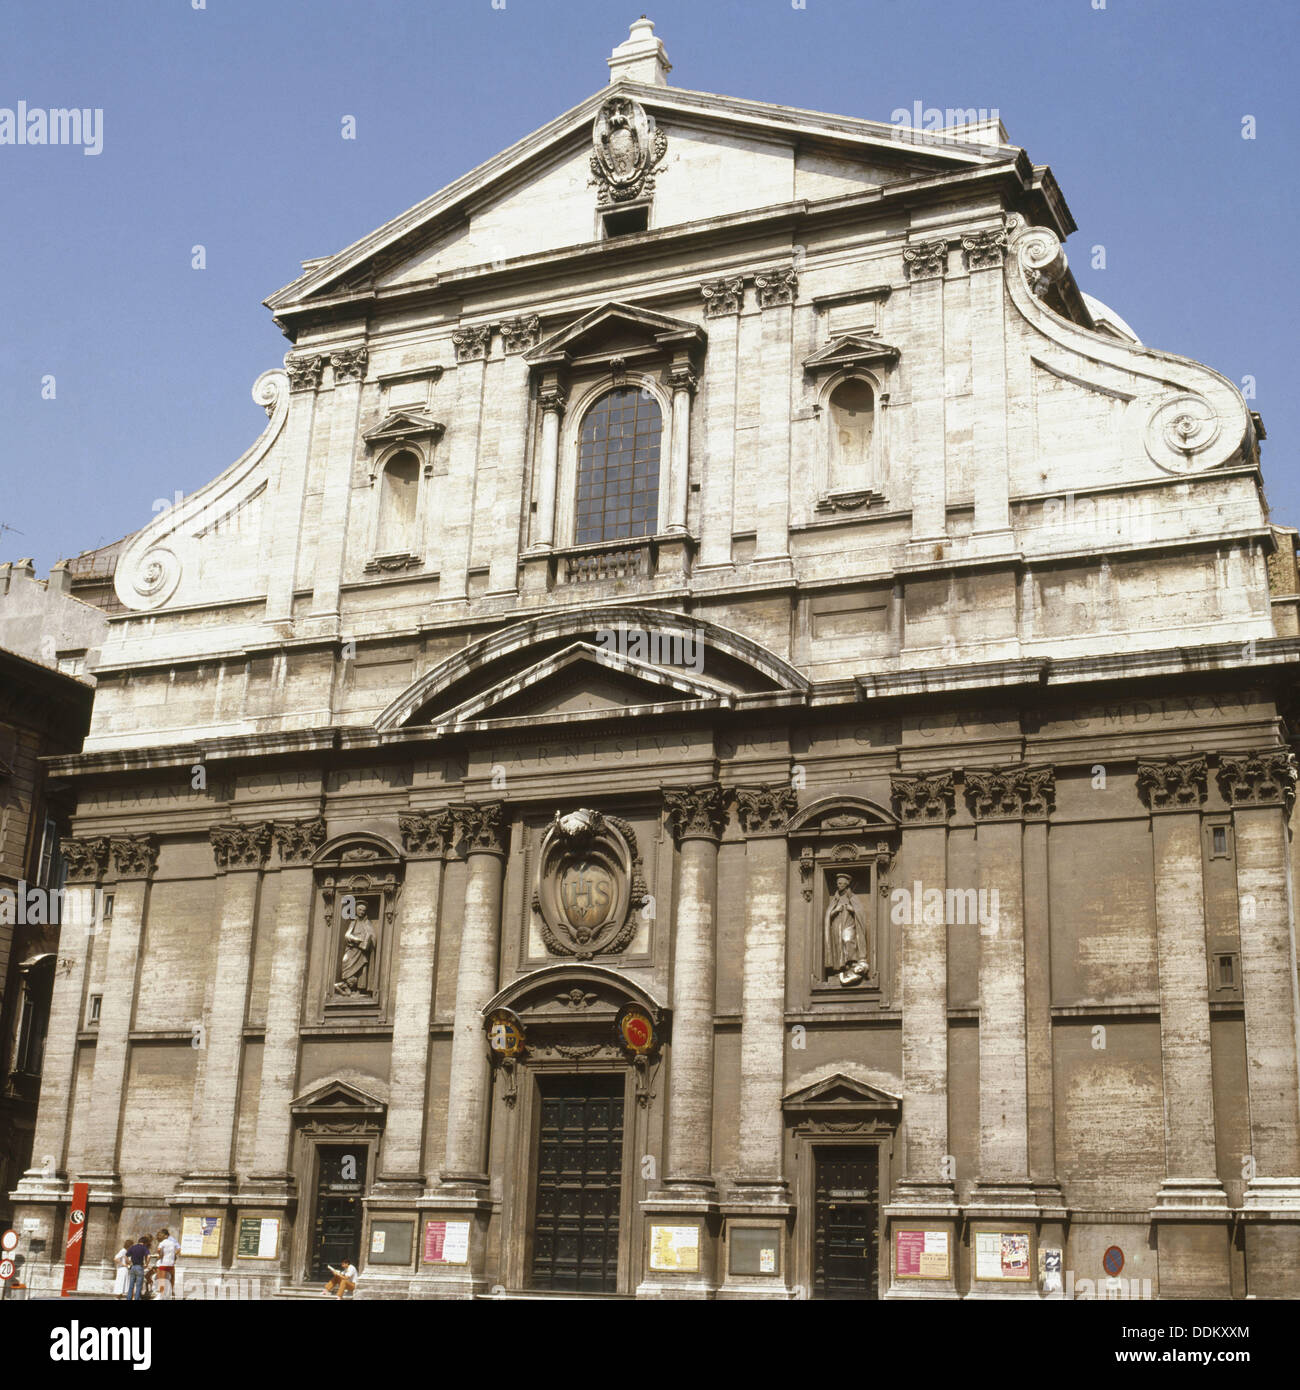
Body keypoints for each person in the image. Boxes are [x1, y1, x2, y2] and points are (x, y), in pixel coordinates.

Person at [824, 872, 870, 985]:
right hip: (836, 926)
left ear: (846, 884)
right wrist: (835, 910)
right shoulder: (835, 899)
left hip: (849, 925)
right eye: (838, 883)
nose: (838, 885)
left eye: (841, 883)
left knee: (848, 940)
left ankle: (852, 964)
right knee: (838, 945)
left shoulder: (853, 898)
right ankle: (840, 968)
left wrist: (852, 909)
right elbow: (828, 915)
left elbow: (860, 913)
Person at [154, 1227, 179, 1299]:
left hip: (164, 1264)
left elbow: (159, 1250)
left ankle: (161, 1295)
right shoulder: (173, 1242)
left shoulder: (162, 1243)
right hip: (171, 1264)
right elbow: (177, 1250)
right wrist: (173, 1255)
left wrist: (161, 1255)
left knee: (162, 1280)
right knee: (172, 1278)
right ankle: (171, 1292)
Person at [125, 1234, 150, 1301]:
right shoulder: (144, 1248)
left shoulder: (133, 1247)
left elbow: (126, 1256)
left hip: (133, 1267)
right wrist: (146, 1264)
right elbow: (148, 1256)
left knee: (131, 1285)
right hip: (139, 1267)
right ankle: (136, 1298)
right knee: (139, 1285)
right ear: (144, 1243)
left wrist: (129, 1262)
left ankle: (129, 1298)